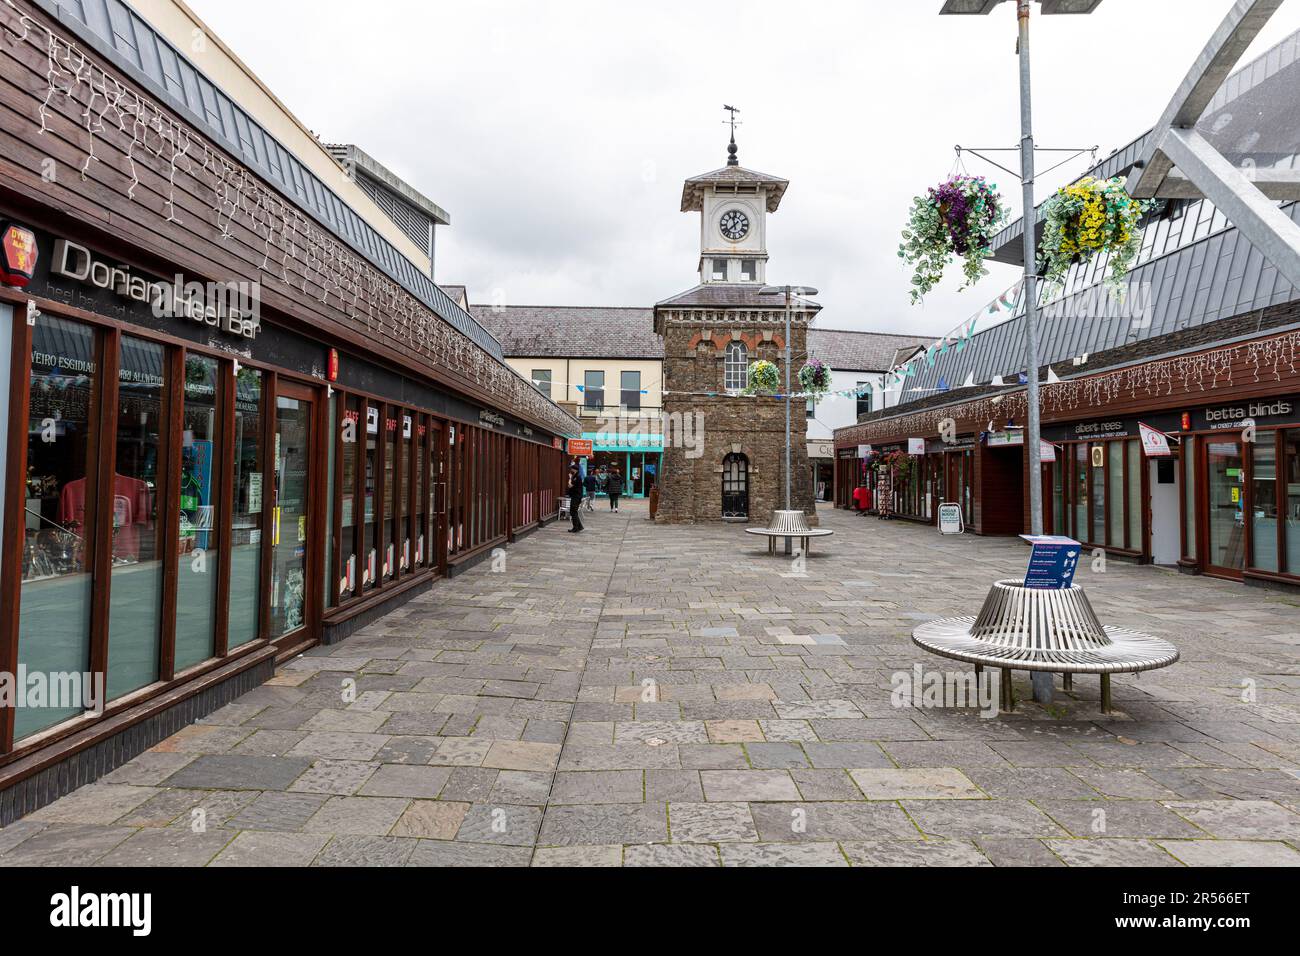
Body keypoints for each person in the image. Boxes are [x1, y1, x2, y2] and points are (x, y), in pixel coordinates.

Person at [567, 465, 585, 532]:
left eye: (571, 468)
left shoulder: (577, 477)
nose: (571, 470)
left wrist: (570, 478)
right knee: (573, 511)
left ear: (575, 470)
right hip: (575, 496)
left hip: (576, 496)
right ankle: (579, 526)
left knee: (573, 511)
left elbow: (570, 486)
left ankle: (575, 527)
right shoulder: (575, 476)